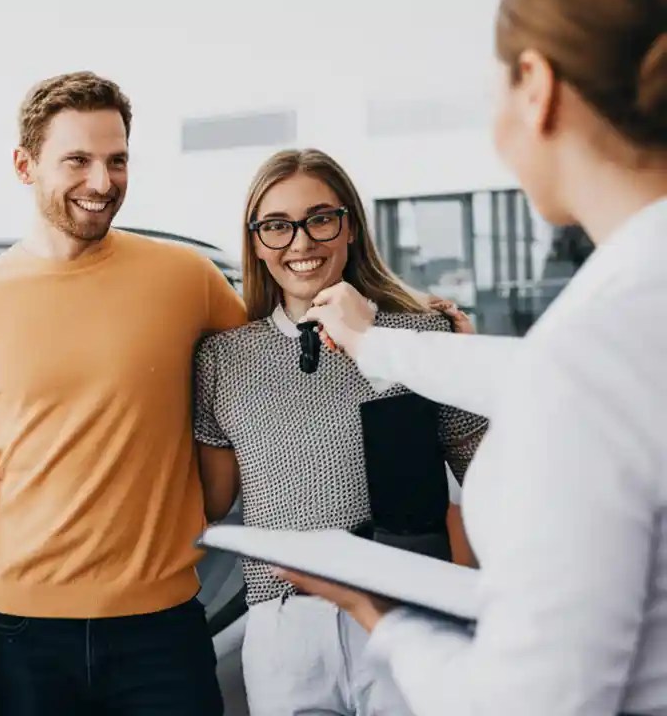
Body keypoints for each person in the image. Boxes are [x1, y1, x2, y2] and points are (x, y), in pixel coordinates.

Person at [278, 0, 667, 714]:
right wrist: (374, 342)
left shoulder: (595, 343)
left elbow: (534, 704)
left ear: (536, 86)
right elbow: (544, 374)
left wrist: (382, 616)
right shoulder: (622, 320)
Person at [0, 71, 248, 716]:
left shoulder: (187, 279)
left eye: (116, 160)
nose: (102, 182)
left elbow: (279, 369)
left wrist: (400, 320)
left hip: (162, 631)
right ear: (25, 165)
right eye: (77, 160)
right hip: (23, 637)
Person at [193, 148, 488, 716]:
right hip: (285, 628)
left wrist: (465, 368)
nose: (301, 243)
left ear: (350, 226)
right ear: (257, 243)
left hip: (406, 610)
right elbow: (211, 501)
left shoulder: (422, 338)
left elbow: (489, 477)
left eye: (320, 219)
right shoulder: (223, 359)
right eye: (277, 226)